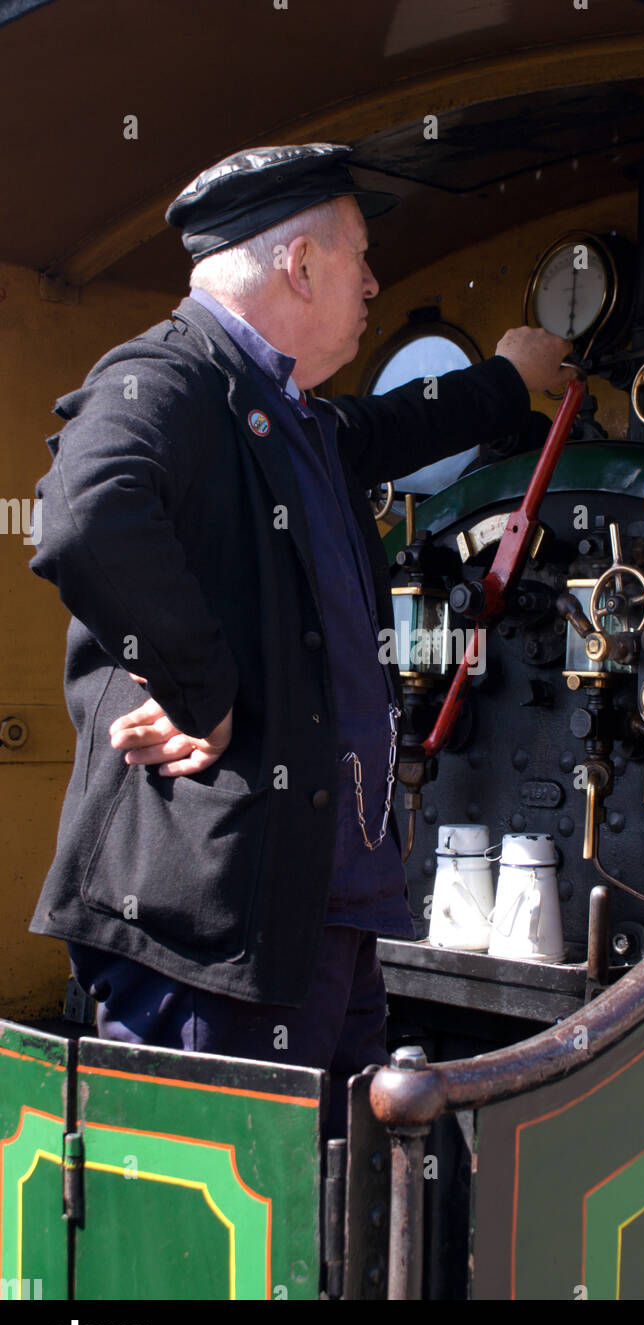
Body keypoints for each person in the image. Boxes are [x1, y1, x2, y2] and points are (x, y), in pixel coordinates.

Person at [29, 142, 571, 1135]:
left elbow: (393, 427)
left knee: (331, 1213)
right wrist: (201, 688)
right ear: (302, 266)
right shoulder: (169, 375)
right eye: (360, 256)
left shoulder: (298, 418)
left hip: (330, 910)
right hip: (217, 927)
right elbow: (81, 515)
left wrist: (507, 377)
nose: (373, 283)